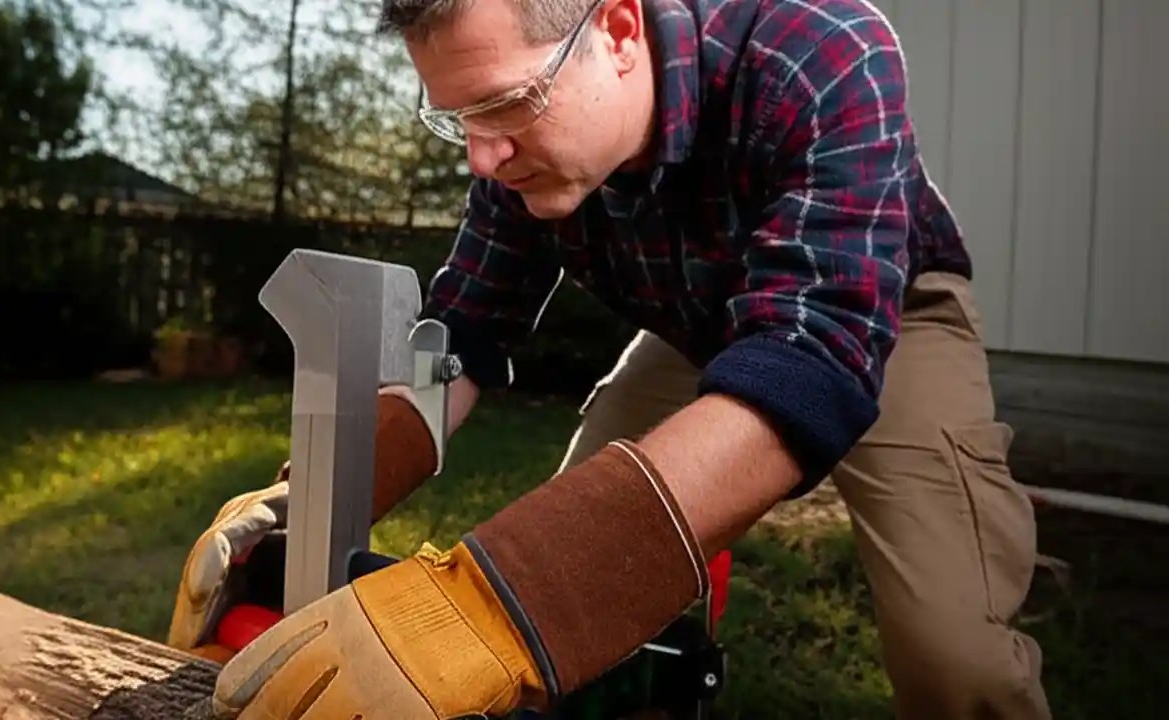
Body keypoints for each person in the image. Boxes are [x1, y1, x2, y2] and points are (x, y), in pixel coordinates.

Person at [166, 0, 1050, 718]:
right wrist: (311, 501)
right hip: (688, 330)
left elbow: (813, 360)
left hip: (875, 319)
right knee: (592, 597)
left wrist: (510, 600)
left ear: (620, 33)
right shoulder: (513, 148)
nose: (483, 155)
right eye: (460, 117)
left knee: (954, 656)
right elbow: (462, 338)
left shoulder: (823, 51)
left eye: (507, 105)